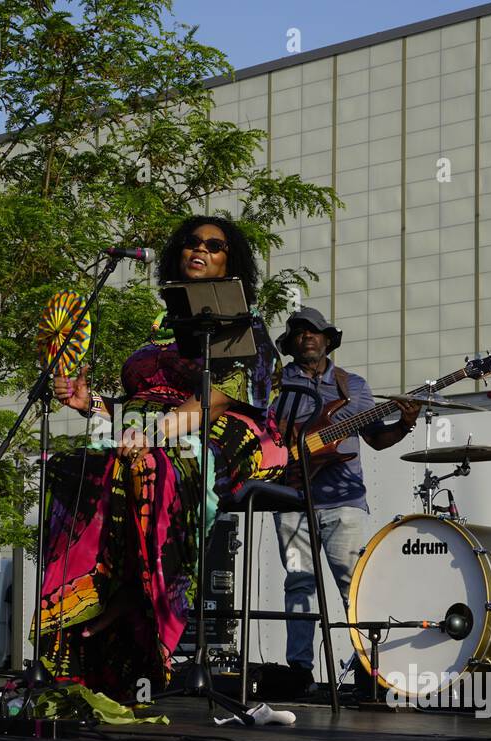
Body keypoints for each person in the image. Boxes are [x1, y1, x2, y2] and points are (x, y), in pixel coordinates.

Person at [37, 216, 286, 700]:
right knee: (74, 468)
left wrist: (150, 433)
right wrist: (92, 405)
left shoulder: (243, 324)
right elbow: (138, 407)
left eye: (214, 246)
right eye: (191, 243)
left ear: (230, 262)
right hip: (153, 430)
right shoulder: (162, 325)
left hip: (219, 435)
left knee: (150, 466)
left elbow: (216, 399)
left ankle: (150, 612)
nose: (200, 250)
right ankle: (78, 622)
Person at [272, 308, 419, 689]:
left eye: (315, 332)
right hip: (291, 499)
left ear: (327, 340)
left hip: (344, 503)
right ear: (291, 343)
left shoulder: (352, 386)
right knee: (298, 583)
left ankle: (369, 670)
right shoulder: (276, 383)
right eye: (301, 332)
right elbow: (261, 433)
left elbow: (376, 439)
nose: (308, 337)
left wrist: (404, 423)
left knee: (353, 584)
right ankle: (299, 671)